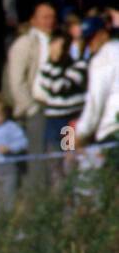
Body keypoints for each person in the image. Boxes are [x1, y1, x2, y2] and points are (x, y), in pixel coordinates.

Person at [3, 2, 55, 190]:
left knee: (66, 150)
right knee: (38, 158)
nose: (50, 21)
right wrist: (31, 108)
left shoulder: (59, 41)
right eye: (45, 17)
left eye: (52, 17)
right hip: (38, 110)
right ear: (33, 20)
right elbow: (16, 80)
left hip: (63, 112)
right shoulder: (24, 44)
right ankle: (40, 205)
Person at [33, 26, 89, 156]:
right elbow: (46, 85)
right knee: (53, 157)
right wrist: (53, 63)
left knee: (69, 157)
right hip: (53, 120)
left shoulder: (78, 66)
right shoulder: (47, 67)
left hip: (69, 120)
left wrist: (56, 63)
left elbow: (59, 87)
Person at [76, 18, 118, 159]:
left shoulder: (101, 59)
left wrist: (79, 135)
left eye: (92, 38)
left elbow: (95, 103)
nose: (89, 44)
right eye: (86, 40)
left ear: (103, 34)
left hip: (113, 132)